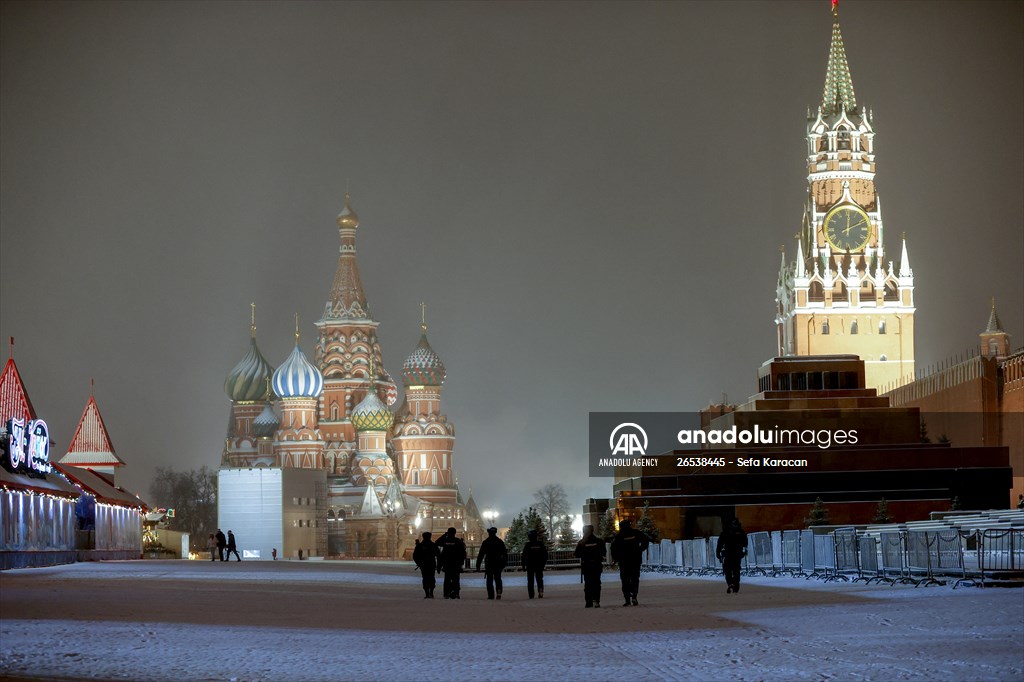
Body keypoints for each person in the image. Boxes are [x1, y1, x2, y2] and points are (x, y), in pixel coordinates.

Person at [609, 519, 650, 606]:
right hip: (635, 560)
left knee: (625, 580)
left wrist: (615, 559)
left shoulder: (619, 536)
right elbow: (646, 540)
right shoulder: (635, 533)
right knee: (635, 579)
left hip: (624, 562)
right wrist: (641, 549)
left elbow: (613, 548)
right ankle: (634, 596)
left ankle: (627, 599)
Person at [574, 525, 606, 608]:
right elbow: (603, 552)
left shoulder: (582, 542)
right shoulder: (599, 541)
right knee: (597, 583)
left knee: (588, 584)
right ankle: (596, 600)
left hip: (587, 565)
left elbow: (577, 554)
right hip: (596, 564)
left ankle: (588, 601)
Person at [716, 518, 748, 594]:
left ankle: (730, 582)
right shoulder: (741, 532)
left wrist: (718, 553)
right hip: (737, 554)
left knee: (728, 570)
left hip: (728, 554)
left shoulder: (725, 532)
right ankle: (735, 586)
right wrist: (743, 552)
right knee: (736, 570)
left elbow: (719, 544)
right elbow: (745, 543)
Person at [476, 527, 507, 600]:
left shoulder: (486, 542)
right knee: (498, 578)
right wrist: (504, 563)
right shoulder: (499, 541)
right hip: (498, 563)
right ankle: (499, 592)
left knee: (489, 579)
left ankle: (491, 595)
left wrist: (478, 564)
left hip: (489, 563)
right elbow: (504, 553)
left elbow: (481, 554)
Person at [436, 527, 467, 599]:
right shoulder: (458, 541)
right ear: (455, 533)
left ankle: (447, 593)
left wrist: (444, 535)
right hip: (456, 564)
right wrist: (461, 563)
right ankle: (456, 593)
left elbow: (437, 542)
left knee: (447, 580)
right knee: (456, 580)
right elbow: (463, 552)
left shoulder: (445, 541)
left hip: (447, 563)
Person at [520, 529, 548, 599]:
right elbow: (545, 555)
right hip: (539, 565)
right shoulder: (540, 544)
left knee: (530, 580)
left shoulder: (528, 545)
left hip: (530, 565)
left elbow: (524, 556)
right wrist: (543, 564)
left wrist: (523, 565)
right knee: (539, 579)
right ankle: (540, 590)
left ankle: (531, 594)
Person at [413, 531, 440, 598]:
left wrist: (418, 562)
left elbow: (415, 556)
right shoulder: (433, 545)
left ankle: (428, 593)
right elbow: (438, 554)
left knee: (426, 578)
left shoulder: (420, 545)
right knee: (431, 578)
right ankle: (430, 592)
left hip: (425, 565)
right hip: (430, 564)